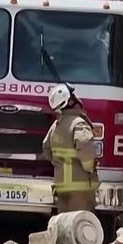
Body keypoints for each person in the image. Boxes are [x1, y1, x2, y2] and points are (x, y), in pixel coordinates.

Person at [42, 84, 98, 213]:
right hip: (80, 188)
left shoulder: (56, 125)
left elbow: (46, 148)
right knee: (80, 224)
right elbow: (85, 147)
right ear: (70, 100)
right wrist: (89, 167)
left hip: (61, 187)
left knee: (64, 224)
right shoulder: (78, 123)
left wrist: (59, 164)